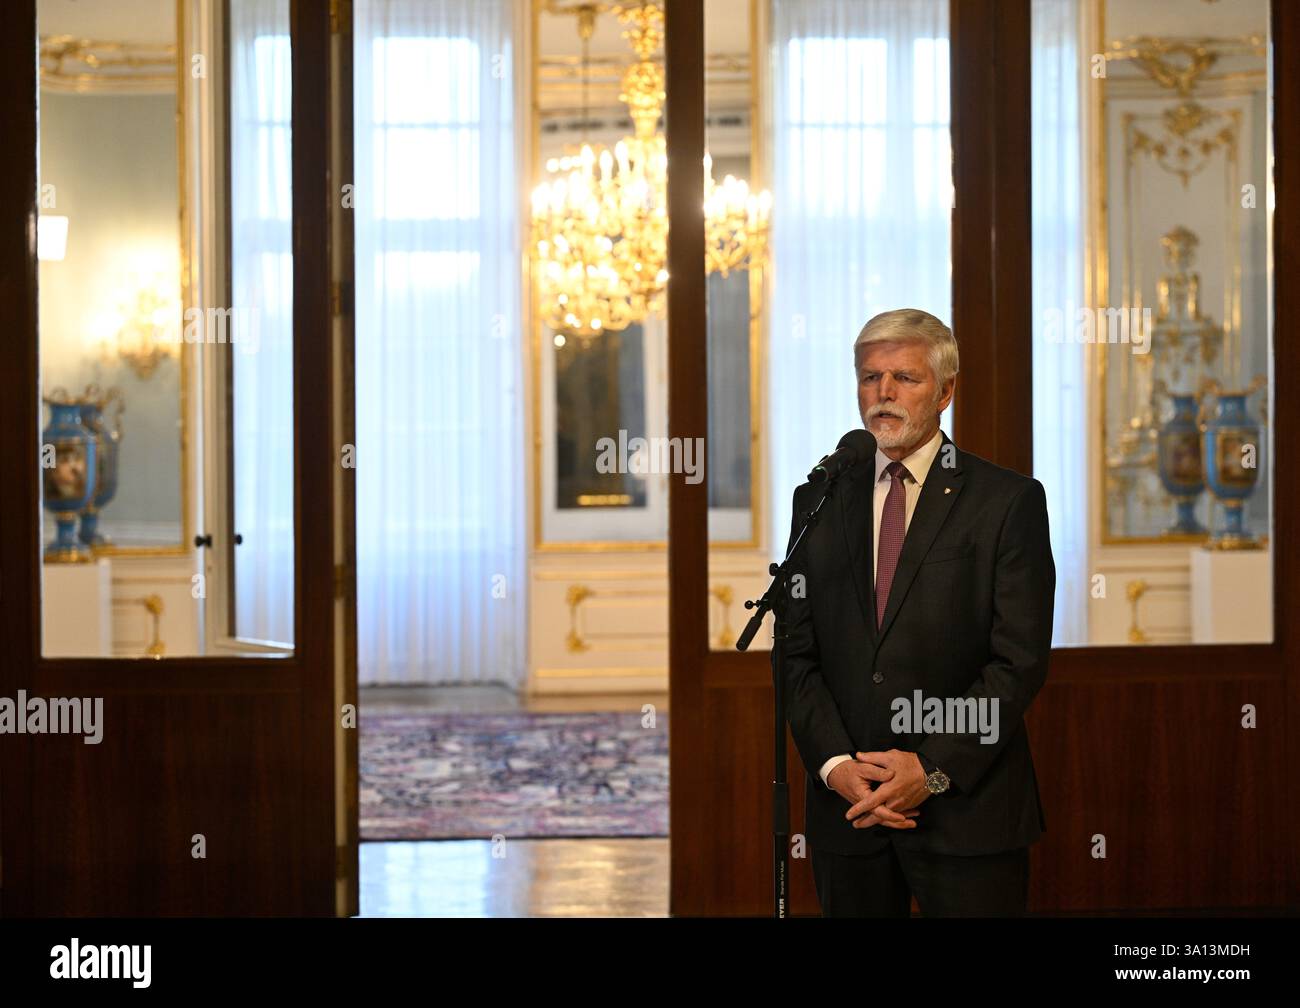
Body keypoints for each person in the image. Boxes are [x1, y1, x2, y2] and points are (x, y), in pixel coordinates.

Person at [781, 308, 1055, 917]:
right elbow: (795, 653)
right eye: (869, 377)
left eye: (904, 378)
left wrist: (929, 770)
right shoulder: (819, 497)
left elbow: (1019, 661)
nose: (883, 393)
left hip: (968, 811)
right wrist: (832, 766)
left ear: (946, 391)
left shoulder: (1007, 501)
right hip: (848, 809)